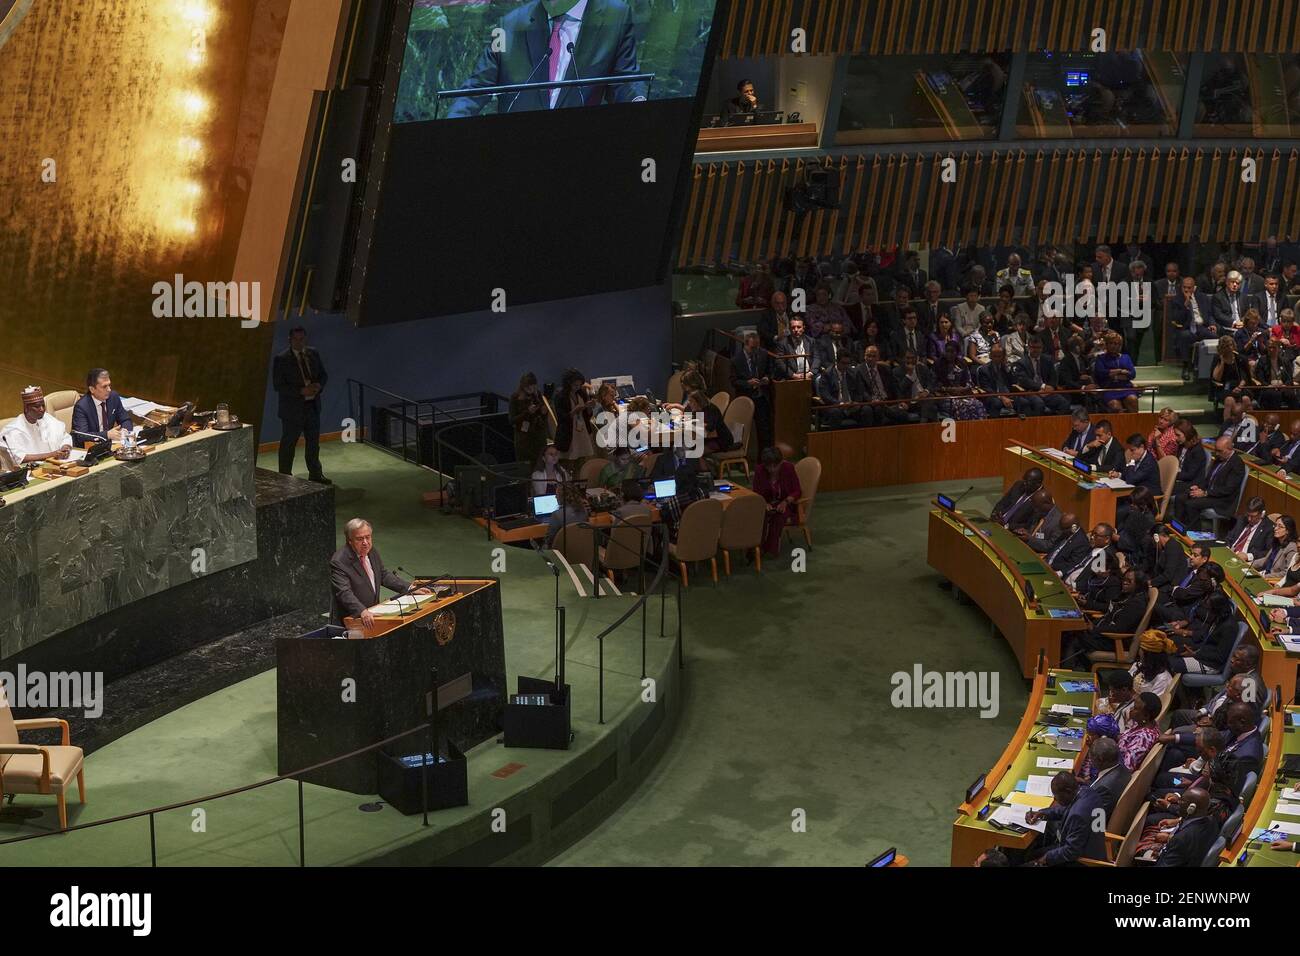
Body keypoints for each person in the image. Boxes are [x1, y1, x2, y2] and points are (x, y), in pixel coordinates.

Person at [445, 0, 647, 118]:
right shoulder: (510, 24)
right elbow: (476, 88)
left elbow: (624, 81)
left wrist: (640, 105)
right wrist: (448, 127)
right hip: (515, 154)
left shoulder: (616, 16)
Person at [329, 518, 429, 627]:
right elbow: (344, 593)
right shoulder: (339, 561)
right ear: (349, 541)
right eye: (359, 539)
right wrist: (361, 611)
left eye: (368, 537)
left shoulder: (371, 551)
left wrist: (410, 588)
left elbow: (383, 575)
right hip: (351, 621)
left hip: (373, 615)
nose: (365, 543)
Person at [273, 327, 330, 484]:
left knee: (313, 444)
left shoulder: (313, 353)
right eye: (296, 339)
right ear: (290, 340)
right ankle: (284, 477)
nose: (300, 342)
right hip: (292, 411)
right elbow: (278, 385)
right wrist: (300, 391)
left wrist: (319, 385)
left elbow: (323, 375)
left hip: (312, 407)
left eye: (302, 339)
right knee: (288, 445)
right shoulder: (281, 359)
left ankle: (316, 474)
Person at [1063, 568, 1150, 665]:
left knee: (1074, 637)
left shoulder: (1136, 605)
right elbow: (1108, 615)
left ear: (1138, 584)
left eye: (1129, 581)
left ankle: (1065, 668)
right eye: (1124, 579)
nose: (1124, 582)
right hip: (1103, 633)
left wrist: (1094, 629)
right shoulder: (1125, 596)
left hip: (1114, 640)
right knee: (1072, 630)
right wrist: (1092, 625)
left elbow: (1119, 629)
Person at [1023, 772, 1106, 866]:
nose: (1055, 798)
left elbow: (1071, 852)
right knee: (1032, 855)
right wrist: (1042, 813)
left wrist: (1046, 859)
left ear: (1068, 791)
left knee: (1030, 859)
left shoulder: (1077, 815)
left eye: (1056, 795)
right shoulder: (1086, 791)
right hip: (1093, 844)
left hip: (1083, 860)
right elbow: (1065, 808)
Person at [1167, 590, 1240, 676]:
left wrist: (1195, 654)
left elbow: (1220, 657)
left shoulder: (1229, 627)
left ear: (1217, 609)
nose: (1208, 612)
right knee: (1169, 650)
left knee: (1170, 664)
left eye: (1210, 609)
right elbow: (1206, 638)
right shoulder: (1219, 617)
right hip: (1203, 651)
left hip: (1210, 664)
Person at [1175, 435, 1244, 526]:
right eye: (1216, 450)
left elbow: (1228, 489)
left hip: (1222, 500)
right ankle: (1178, 527)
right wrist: (1199, 487)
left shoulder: (1237, 464)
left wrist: (1205, 493)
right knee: (1180, 497)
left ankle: (1193, 534)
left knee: (1190, 504)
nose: (1217, 453)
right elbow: (1209, 479)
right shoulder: (1219, 458)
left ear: (1230, 448)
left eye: (1220, 451)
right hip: (1210, 493)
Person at [1, 386, 73, 466]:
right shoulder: (13, 430)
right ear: (26, 408)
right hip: (32, 470)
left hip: (56, 464)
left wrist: (65, 448)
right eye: (37, 407)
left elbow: (64, 436)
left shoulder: (47, 418)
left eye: (43, 405)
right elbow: (20, 458)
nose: (42, 409)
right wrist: (52, 455)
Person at [753, 446, 801, 557]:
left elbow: (797, 491)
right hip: (768, 503)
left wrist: (786, 502)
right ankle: (756, 547)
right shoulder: (760, 471)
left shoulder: (788, 468)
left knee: (779, 517)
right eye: (768, 466)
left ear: (780, 462)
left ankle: (770, 549)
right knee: (760, 516)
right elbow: (756, 492)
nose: (772, 469)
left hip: (787, 503)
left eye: (775, 465)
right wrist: (764, 503)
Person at [71, 368, 133, 443]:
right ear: (92, 389)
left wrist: (124, 430)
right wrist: (106, 435)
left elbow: (125, 419)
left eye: (109, 385)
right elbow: (81, 435)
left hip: (110, 444)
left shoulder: (113, 397)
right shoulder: (82, 407)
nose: (109, 389)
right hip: (89, 447)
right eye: (104, 387)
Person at [510, 372, 550, 468]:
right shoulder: (515, 397)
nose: (531, 389)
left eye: (533, 386)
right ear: (523, 386)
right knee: (526, 467)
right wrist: (527, 412)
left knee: (540, 466)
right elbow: (512, 420)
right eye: (528, 387)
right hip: (524, 438)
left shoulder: (537, 394)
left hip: (538, 436)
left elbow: (543, 416)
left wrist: (544, 413)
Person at [555, 368, 596, 462]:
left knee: (581, 461)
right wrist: (574, 411)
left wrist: (590, 407)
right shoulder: (561, 396)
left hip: (582, 431)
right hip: (568, 433)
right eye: (575, 385)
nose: (577, 387)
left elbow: (587, 415)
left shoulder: (581, 393)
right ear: (568, 384)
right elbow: (561, 418)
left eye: (579, 385)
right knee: (568, 461)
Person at [1093, 332, 1139, 412]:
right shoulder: (1101, 358)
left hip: (1125, 388)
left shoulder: (1126, 357)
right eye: (1112, 343)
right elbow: (1101, 373)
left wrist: (1112, 374)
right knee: (1115, 406)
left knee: (1133, 399)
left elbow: (1132, 374)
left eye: (1117, 344)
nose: (1115, 346)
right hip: (1109, 389)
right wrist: (1120, 371)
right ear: (1106, 344)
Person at [1117, 692, 1163, 771]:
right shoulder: (1145, 723)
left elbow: (1125, 768)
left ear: (1146, 715)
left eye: (1135, 708)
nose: (1131, 710)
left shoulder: (1143, 739)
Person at [1225, 496, 1273, 561]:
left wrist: (1248, 556)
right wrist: (1227, 547)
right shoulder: (1241, 519)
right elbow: (1229, 537)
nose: (1249, 519)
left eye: (1253, 516)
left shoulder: (1268, 528)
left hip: (1246, 561)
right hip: (1229, 554)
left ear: (1262, 514)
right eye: (1248, 515)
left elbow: (1269, 552)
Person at [545, 481, 590, 548]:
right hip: (580, 550)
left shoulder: (556, 515)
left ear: (562, 497)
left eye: (556, 494)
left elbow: (549, 541)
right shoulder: (584, 510)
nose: (555, 497)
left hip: (560, 554)